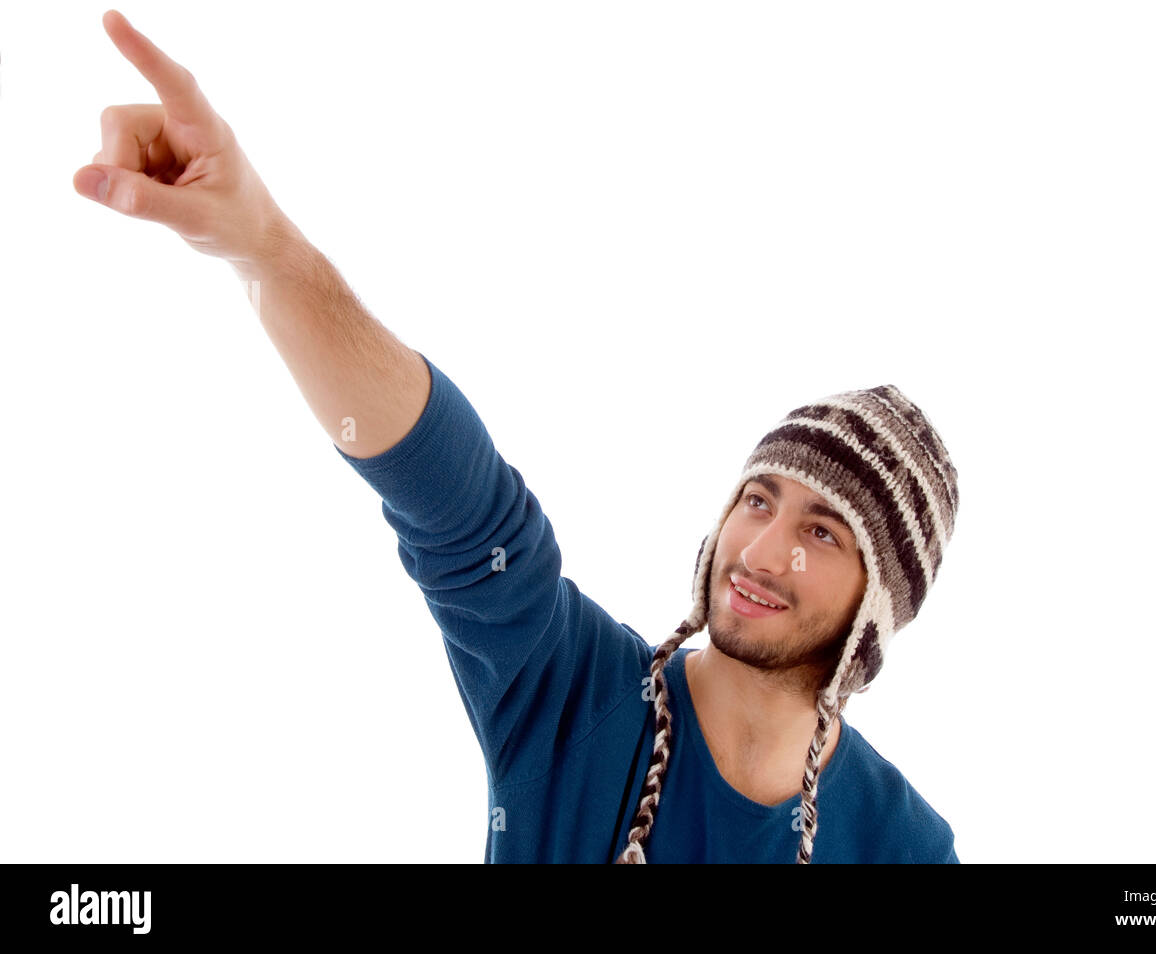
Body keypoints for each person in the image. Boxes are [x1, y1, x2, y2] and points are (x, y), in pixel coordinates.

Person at [73, 9, 962, 863]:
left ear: (877, 608)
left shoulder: (906, 846)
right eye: (757, 500)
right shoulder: (574, 695)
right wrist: (263, 246)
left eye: (820, 531)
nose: (760, 550)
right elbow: (457, 505)